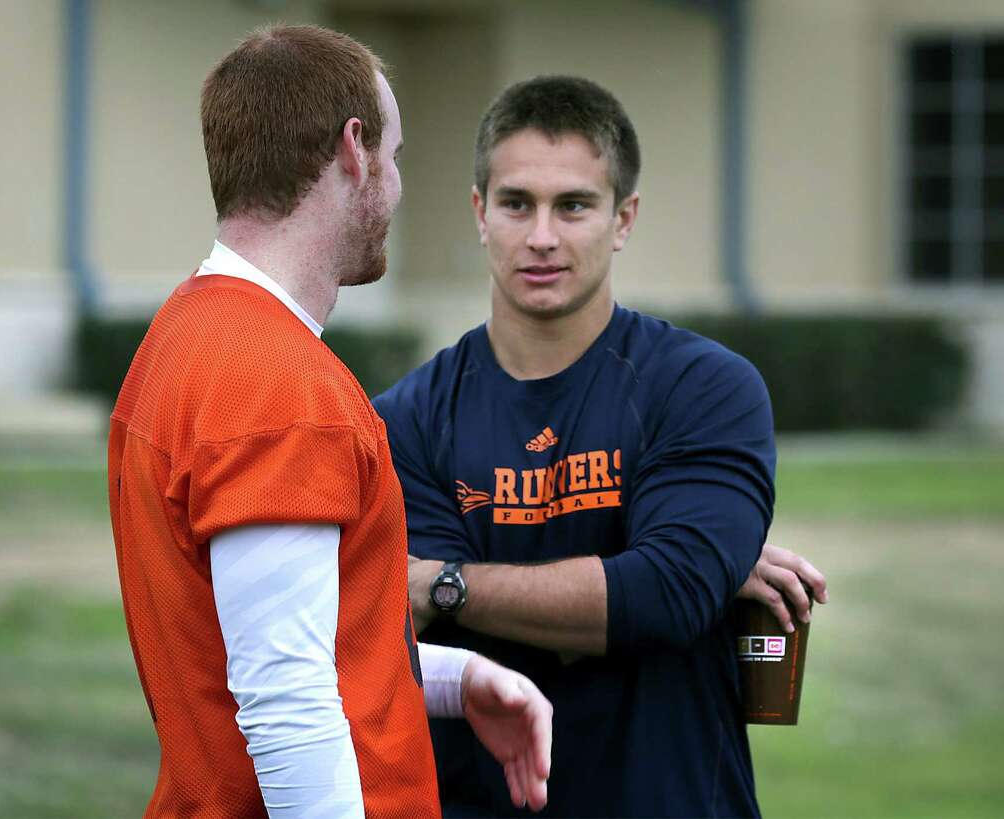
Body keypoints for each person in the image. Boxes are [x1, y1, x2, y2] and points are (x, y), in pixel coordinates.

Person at [107, 27, 552, 819]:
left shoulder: (183, 332)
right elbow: (287, 705)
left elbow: (285, 637)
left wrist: (453, 677)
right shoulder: (280, 387)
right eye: (398, 156)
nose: (398, 181)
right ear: (355, 150)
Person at [373, 76, 828, 817]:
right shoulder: (405, 420)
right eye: (517, 203)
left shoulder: (705, 387)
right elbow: (386, 619)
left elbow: (668, 595)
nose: (543, 236)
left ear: (623, 218)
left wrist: (444, 585)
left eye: (575, 205)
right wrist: (665, 571)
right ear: (480, 212)